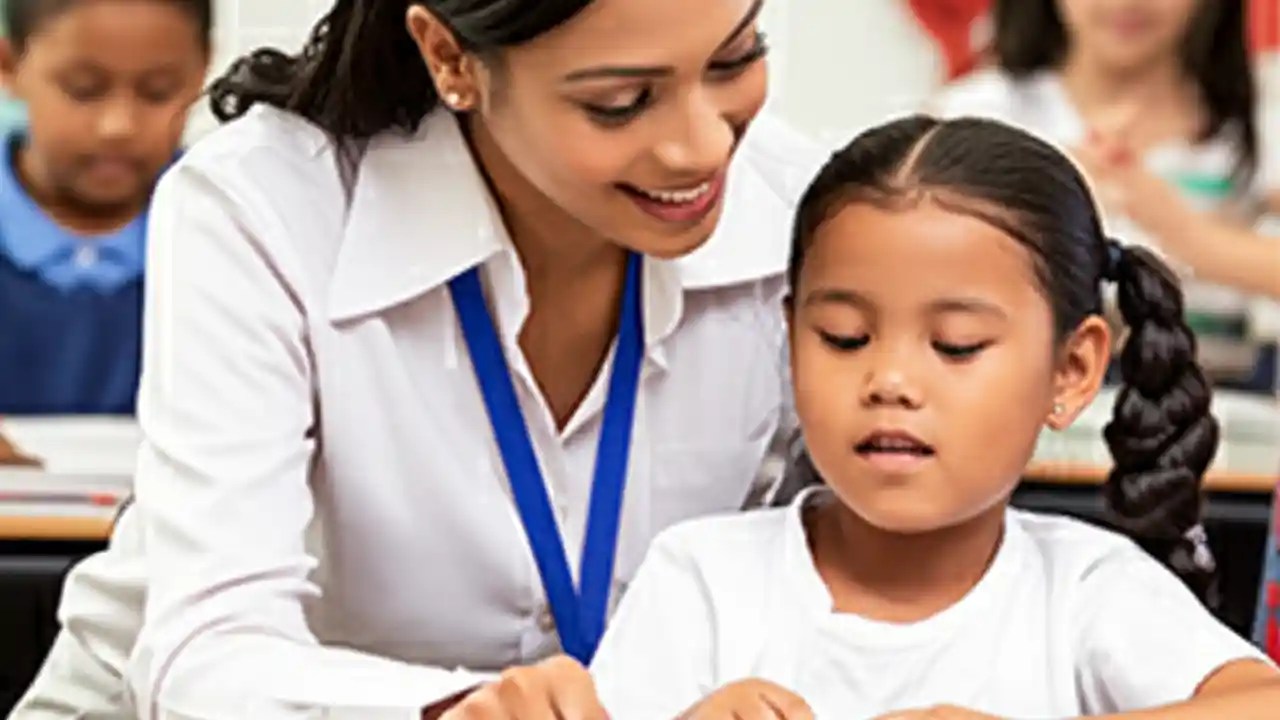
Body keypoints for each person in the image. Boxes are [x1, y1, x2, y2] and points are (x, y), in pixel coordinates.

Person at [12, 0, 823, 718]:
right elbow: (207, 658)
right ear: (449, 57)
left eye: (734, 58)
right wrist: (459, 710)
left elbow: (866, 568)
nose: (699, 146)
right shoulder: (266, 206)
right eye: (619, 102)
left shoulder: (797, 211)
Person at [574, 117, 1280, 719]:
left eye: (956, 347)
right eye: (845, 337)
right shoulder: (705, 578)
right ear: (790, 340)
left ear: (1070, 372)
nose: (890, 382)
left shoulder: (1083, 588)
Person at [931, 0, 1279, 393]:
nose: (1127, 4)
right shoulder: (981, 111)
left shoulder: (1256, 115)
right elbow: (923, 269)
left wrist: (1186, 235)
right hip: (1030, 397)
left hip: (1219, 397)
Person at [0, 0, 209, 415]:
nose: (118, 125)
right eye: (83, 89)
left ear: (204, 70)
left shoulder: (238, 243)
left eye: (158, 92)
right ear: (8, 66)